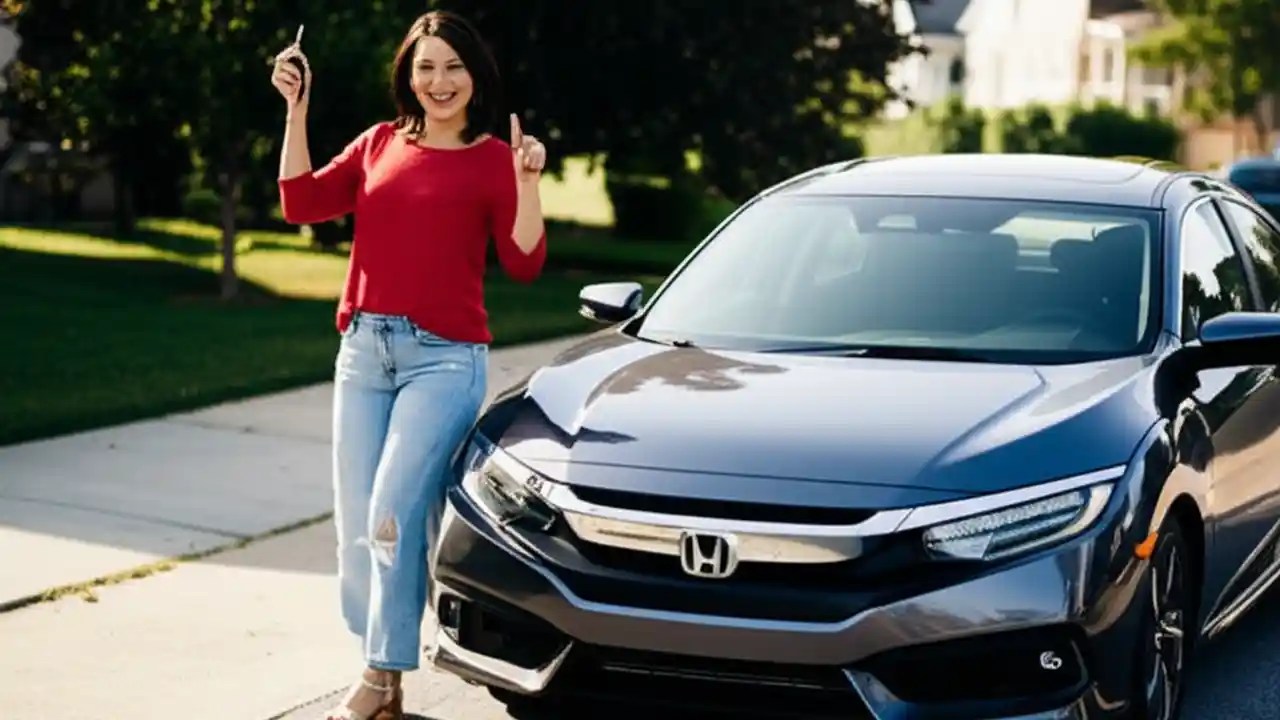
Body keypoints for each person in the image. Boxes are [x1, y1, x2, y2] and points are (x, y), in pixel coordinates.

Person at [269, 10, 547, 720]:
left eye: (453, 66)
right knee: (360, 524)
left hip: (443, 362)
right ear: (408, 74)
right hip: (363, 352)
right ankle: (384, 677)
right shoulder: (379, 144)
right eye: (426, 67)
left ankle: (377, 672)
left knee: (393, 511)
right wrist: (296, 111)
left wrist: (528, 181)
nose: (440, 80)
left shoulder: (491, 157)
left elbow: (523, 263)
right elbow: (301, 203)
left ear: (474, 75)